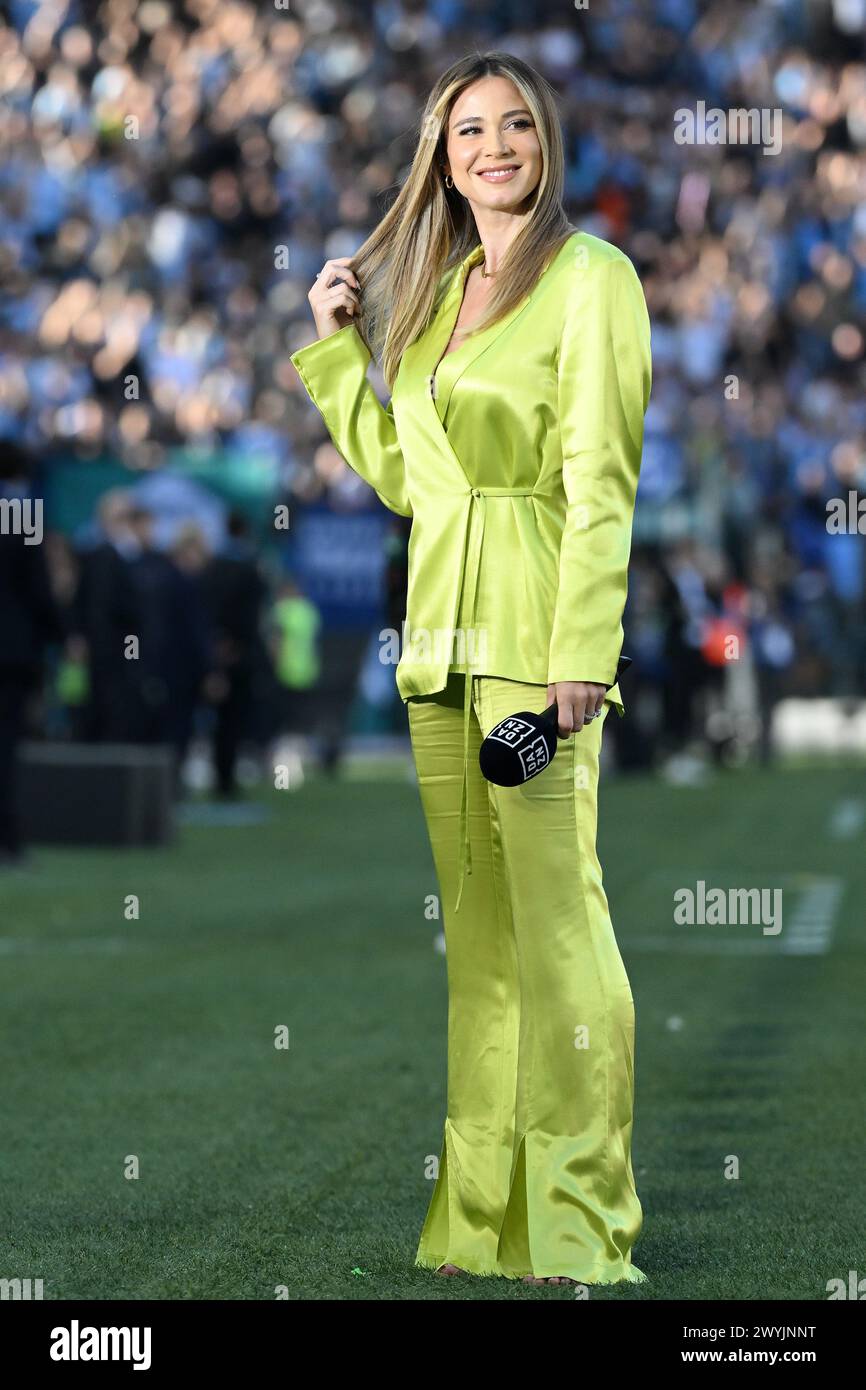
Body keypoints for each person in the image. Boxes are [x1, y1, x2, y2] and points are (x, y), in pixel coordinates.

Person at [290, 52, 652, 1287]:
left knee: (560, 935)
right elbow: (412, 483)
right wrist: (339, 356)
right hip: (438, 655)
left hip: (536, 649)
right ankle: (482, 1223)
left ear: (544, 139)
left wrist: (581, 656)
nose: (491, 146)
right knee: (483, 947)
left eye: (512, 125)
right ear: (441, 159)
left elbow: (600, 484)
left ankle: (578, 1227)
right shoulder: (442, 291)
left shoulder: (594, 276)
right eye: (466, 133)